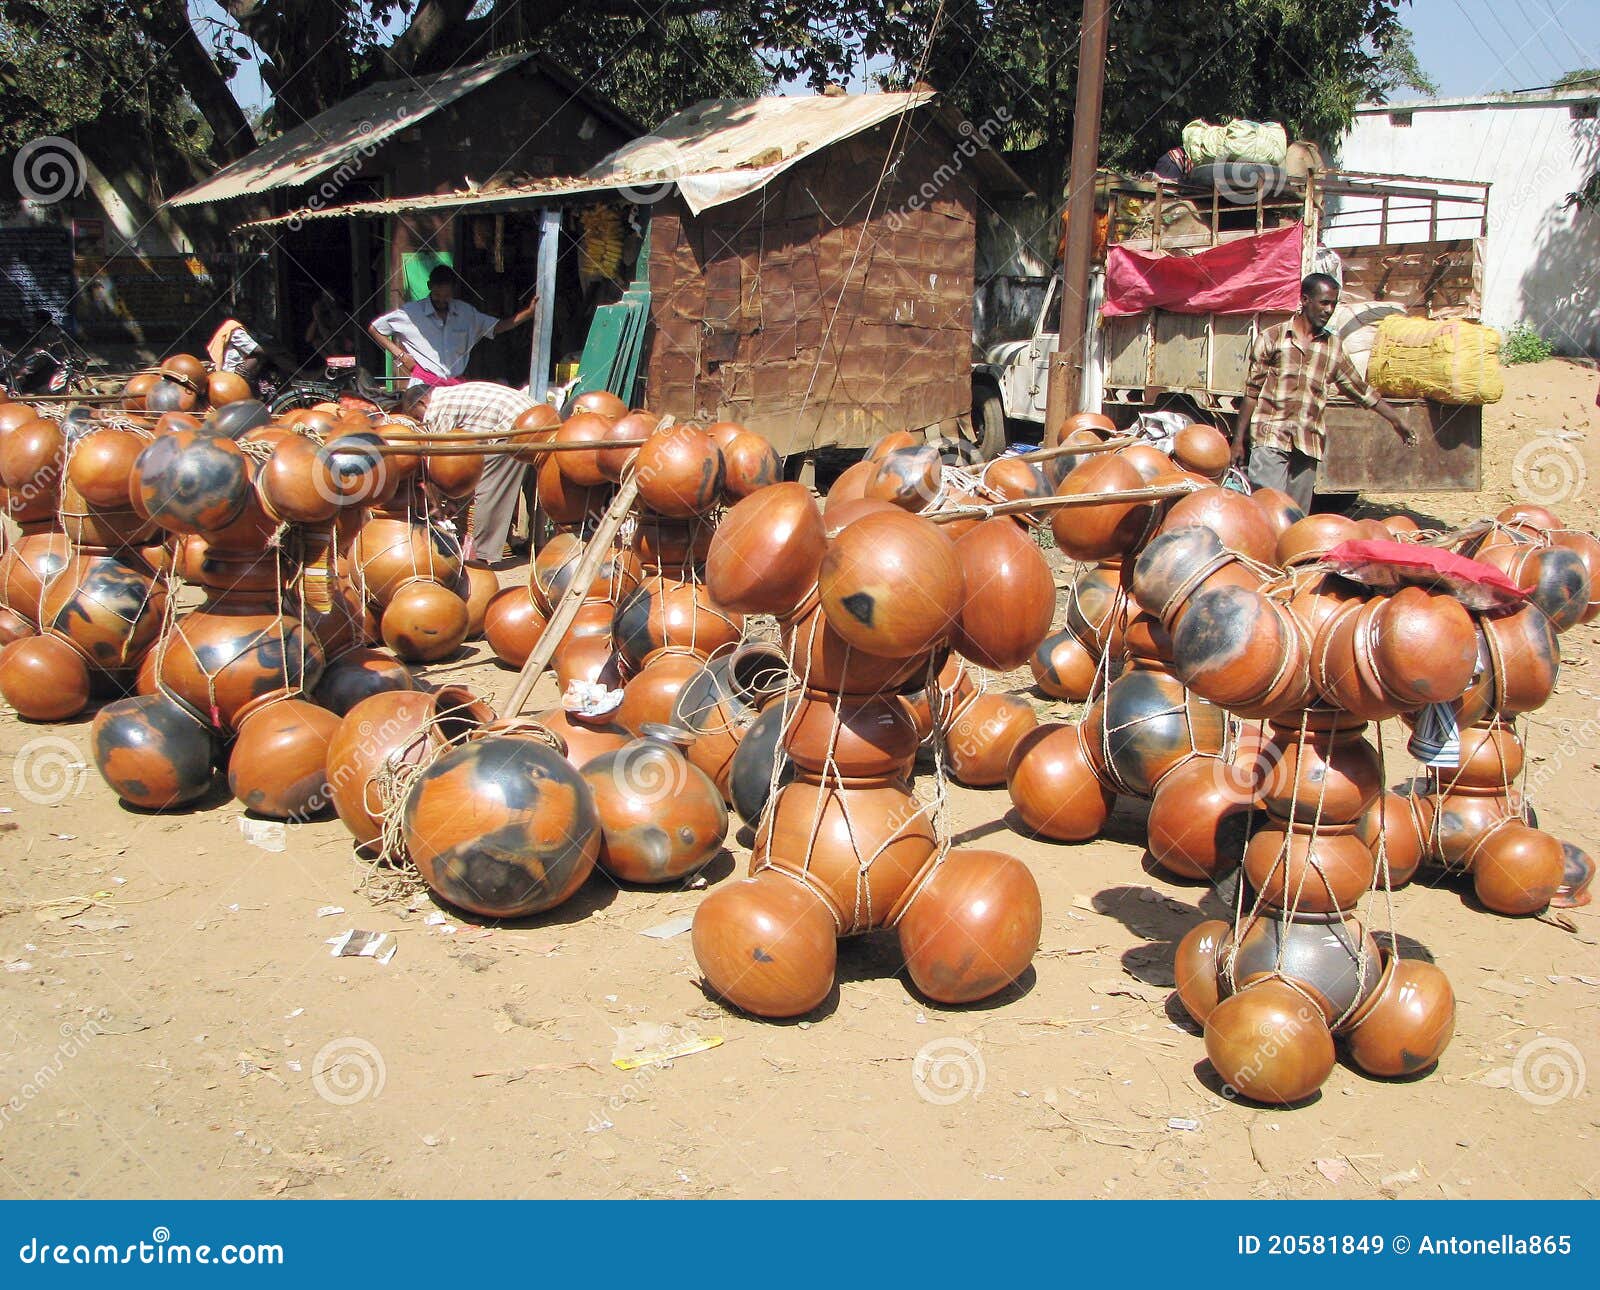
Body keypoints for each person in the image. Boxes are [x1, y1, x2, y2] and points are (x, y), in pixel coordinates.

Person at [1233, 272, 1415, 511]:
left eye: (1334, 304)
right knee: (1266, 511)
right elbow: (1252, 392)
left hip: (1308, 443)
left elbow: (1360, 390)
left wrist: (1396, 419)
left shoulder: (1333, 348)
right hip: (1271, 437)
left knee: (1295, 518)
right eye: (1324, 302)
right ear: (1305, 300)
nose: (1329, 310)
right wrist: (1238, 441)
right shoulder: (1273, 338)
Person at [401, 381, 536, 564]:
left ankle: (481, 555)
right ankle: (538, 543)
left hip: (515, 427)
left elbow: (440, 459)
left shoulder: (437, 408)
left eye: (418, 417)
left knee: (489, 487)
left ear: (423, 403)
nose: (421, 423)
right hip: (536, 420)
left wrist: (440, 503)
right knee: (535, 489)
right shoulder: (450, 394)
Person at [368, 265, 537, 388]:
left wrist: (528, 314)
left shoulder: (466, 313)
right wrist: (401, 356)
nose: (442, 300)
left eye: (446, 295)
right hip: (423, 385)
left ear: (454, 291)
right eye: (437, 295)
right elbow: (375, 328)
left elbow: (497, 327)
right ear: (429, 287)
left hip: (455, 386)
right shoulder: (411, 313)